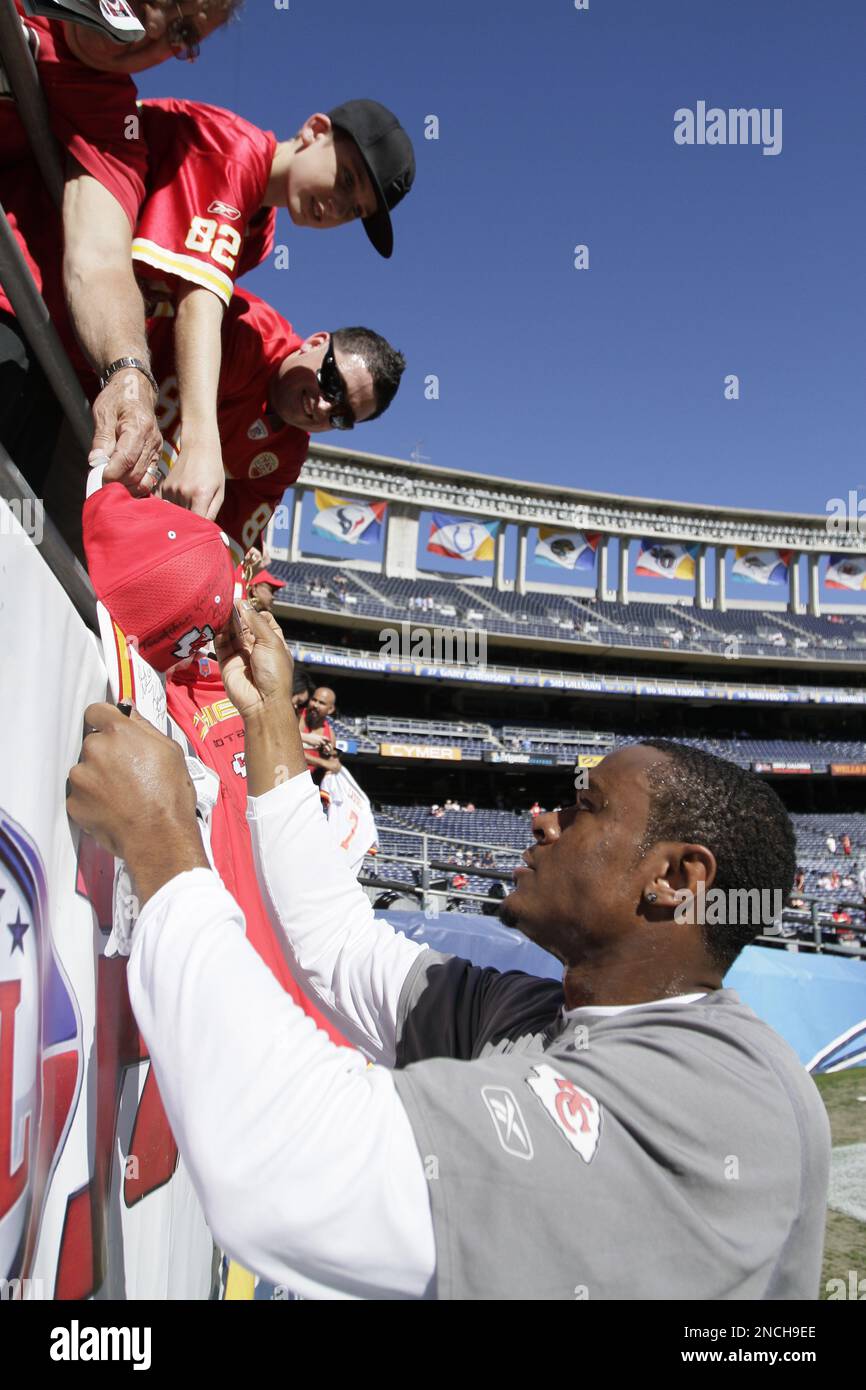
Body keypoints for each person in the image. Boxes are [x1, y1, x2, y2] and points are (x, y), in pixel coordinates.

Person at [66, 608, 830, 1300]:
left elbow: (291, 1172)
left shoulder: (715, 1109)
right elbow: (336, 942)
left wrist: (162, 843)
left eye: (584, 808)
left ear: (672, 879)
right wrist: (269, 717)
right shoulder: (554, 1011)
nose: (541, 819)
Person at [0, 1, 238, 486]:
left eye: (183, 31)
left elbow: (101, 259)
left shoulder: (113, 121)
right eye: (160, 0)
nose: (153, 31)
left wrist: (129, 375)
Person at [149, 287, 405, 554]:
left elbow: (227, 542)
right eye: (333, 384)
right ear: (315, 343)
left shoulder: (288, 457)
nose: (324, 406)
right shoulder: (247, 329)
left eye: (342, 416)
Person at [299, 685, 340, 782]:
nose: (315, 705)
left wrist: (333, 766)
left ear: (330, 709)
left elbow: (334, 763)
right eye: (314, 700)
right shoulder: (296, 717)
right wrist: (323, 763)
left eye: (321, 703)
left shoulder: (330, 734)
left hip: (308, 785)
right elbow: (290, 751)